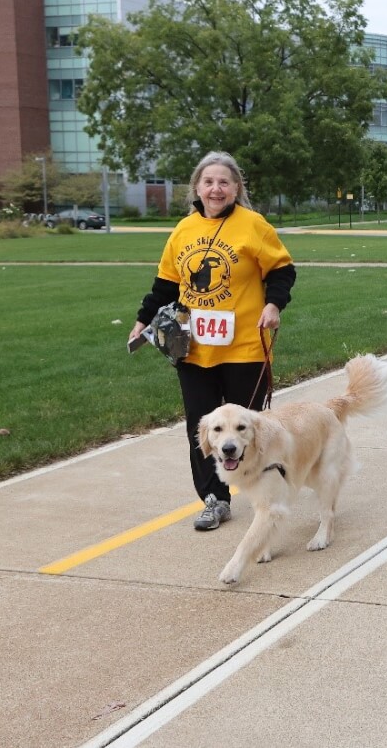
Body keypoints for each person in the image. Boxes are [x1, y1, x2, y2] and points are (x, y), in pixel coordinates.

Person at [128, 151, 297, 531]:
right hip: (193, 349)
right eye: (209, 182)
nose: (216, 188)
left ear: (236, 188)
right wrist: (141, 322)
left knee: (250, 429)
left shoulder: (254, 225)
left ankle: (264, 495)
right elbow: (165, 287)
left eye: (224, 182)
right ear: (197, 188)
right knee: (204, 430)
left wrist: (273, 304)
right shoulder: (183, 230)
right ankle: (213, 499)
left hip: (244, 348)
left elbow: (282, 271)